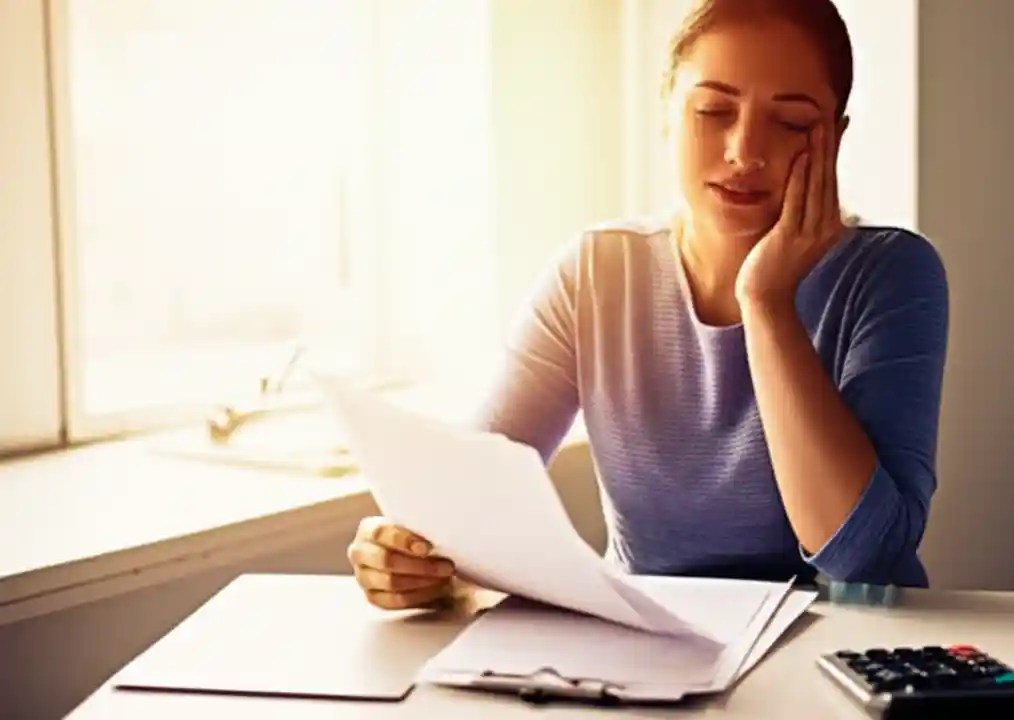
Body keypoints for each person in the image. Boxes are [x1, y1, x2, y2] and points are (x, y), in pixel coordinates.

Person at [346, 0, 949, 611]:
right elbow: (464, 513)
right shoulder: (596, 272)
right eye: (714, 110)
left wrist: (765, 303)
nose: (745, 150)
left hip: (842, 655)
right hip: (653, 652)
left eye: (791, 122)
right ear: (666, 112)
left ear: (835, 139)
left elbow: (863, 558)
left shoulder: (893, 275)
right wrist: (409, 555)